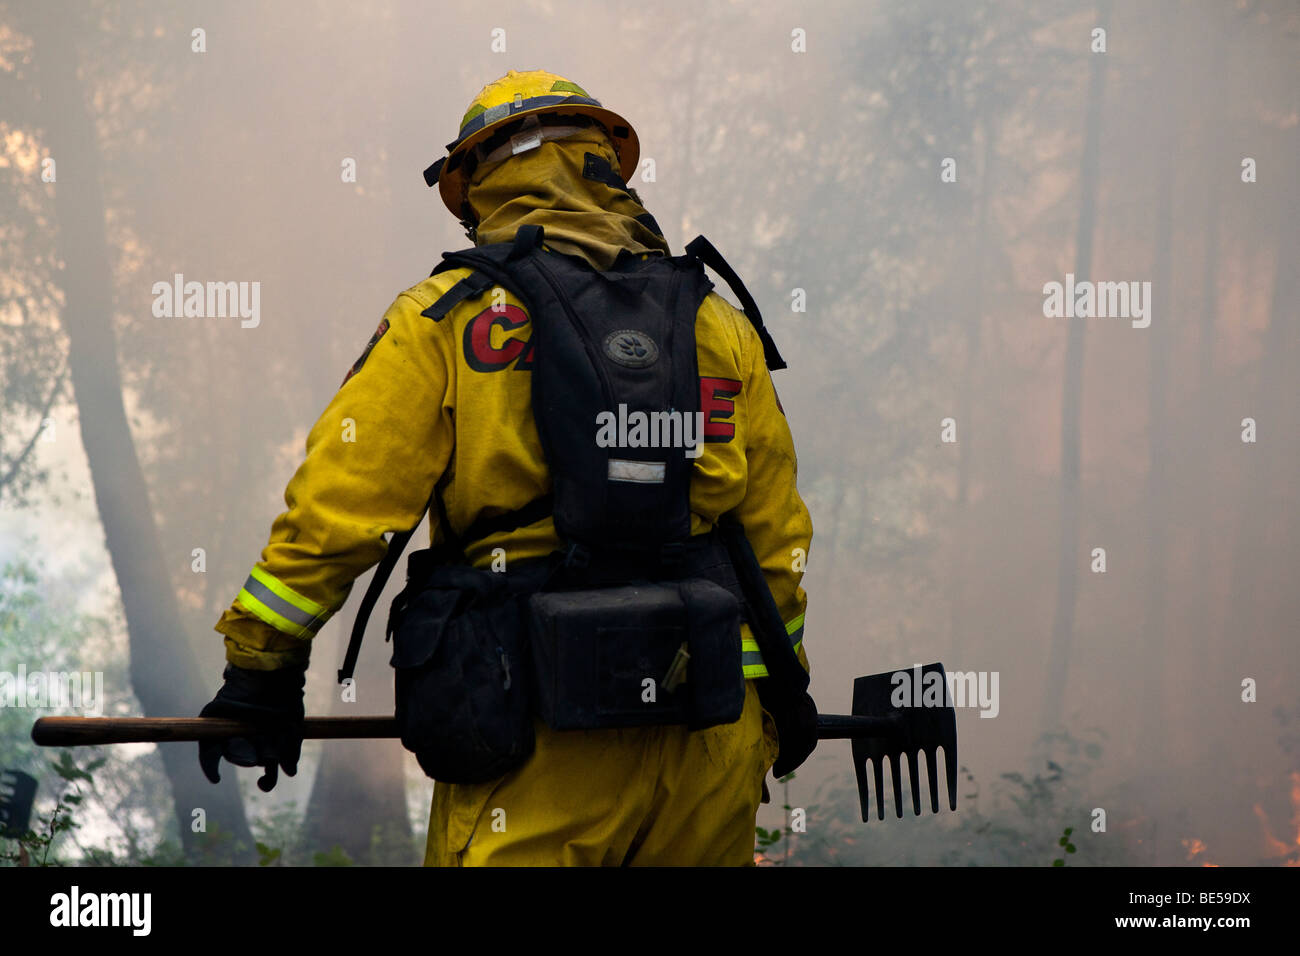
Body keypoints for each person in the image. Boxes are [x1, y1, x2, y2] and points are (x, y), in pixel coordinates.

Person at [198, 69, 814, 866]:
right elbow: (775, 537)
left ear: (476, 184)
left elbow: (337, 512)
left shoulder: (444, 319)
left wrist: (261, 668)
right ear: (604, 163)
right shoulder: (716, 323)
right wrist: (777, 697)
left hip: (531, 716)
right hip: (708, 725)